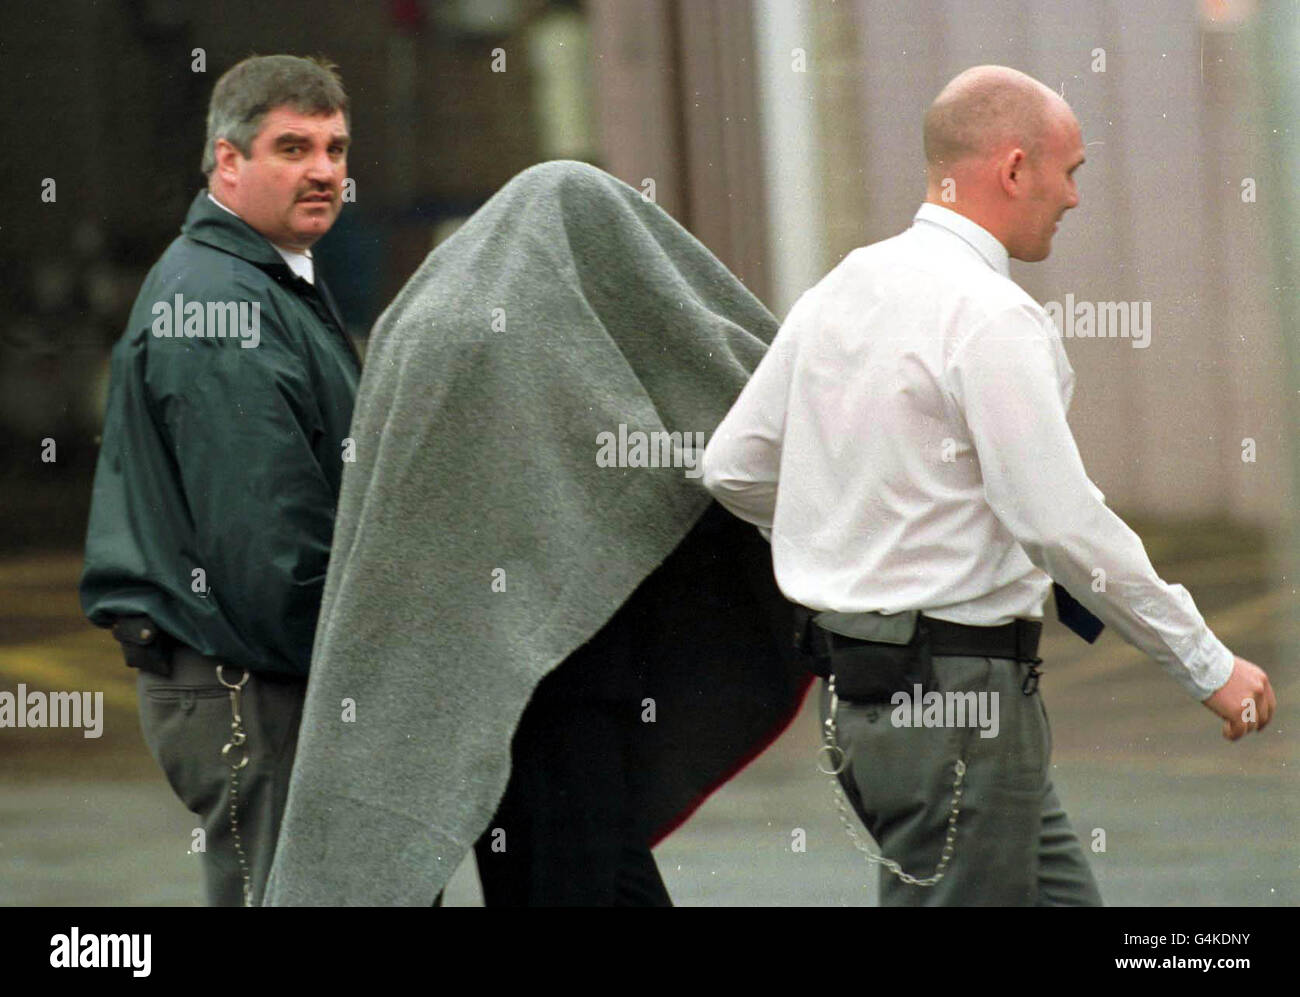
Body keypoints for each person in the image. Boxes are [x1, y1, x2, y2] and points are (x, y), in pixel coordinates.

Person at [700, 65, 1276, 906]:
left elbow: (732, 466)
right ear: (1013, 170)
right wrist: (1204, 661)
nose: (1076, 197)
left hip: (868, 701)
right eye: (1071, 170)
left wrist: (850, 533)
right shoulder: (991, 315)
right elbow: (1059, 522)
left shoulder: (842, 288)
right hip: (963, 707)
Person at [262, 160, 811, 907]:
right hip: (578, 669)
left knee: (545, 867)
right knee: (585, 869)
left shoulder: (418, 323)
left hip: (476, 676)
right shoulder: (554, 335)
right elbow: (725, 412)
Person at [79, 54, 360, 906]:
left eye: (337, 148)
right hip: (250, 683)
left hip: (262, 676)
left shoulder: (272, 282)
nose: (323, 171)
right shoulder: (220, 305)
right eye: (292, 148)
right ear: (227, 162)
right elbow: (265, 544)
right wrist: (358, 670)